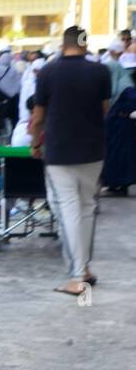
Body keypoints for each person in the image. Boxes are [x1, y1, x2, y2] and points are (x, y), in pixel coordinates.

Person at [29, 26, 111, 296]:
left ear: (63, 44)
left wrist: (35, 141)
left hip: (60, 151)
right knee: (87, 208)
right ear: (85, 44)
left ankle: (76, 277)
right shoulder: (100, 71)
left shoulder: (48, 72)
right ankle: (84, 268)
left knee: (67, 210)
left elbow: (38, 116)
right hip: (93, 150)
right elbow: (104, 111)